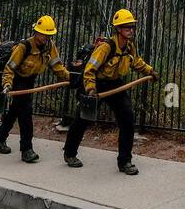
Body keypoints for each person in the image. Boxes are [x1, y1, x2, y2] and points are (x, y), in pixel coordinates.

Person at [62, 9, 157, 174]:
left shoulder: (129, 46)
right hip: (96, 85)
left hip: (116, 85)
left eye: (132, 27)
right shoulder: (106, 47)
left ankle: (125, 161)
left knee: (127, 119)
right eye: (127, 27)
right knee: (82, 119)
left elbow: (136, 62)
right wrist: (90, 89)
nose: (131, 30)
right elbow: (90, 70)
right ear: (118, 29)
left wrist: (150, 71)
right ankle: (70, 153)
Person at [0, 16, 70, 163]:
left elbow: (57, 66)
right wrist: (7, 85)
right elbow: (9, 68)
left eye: (49, 35)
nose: (46, 37)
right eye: (43, 34)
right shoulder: (24, 47)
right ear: (36, 32)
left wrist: (70, 78)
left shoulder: (49, 46)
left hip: (30, 80)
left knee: (14, 111)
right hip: (18, 80)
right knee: (25, 114)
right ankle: (26, 149)